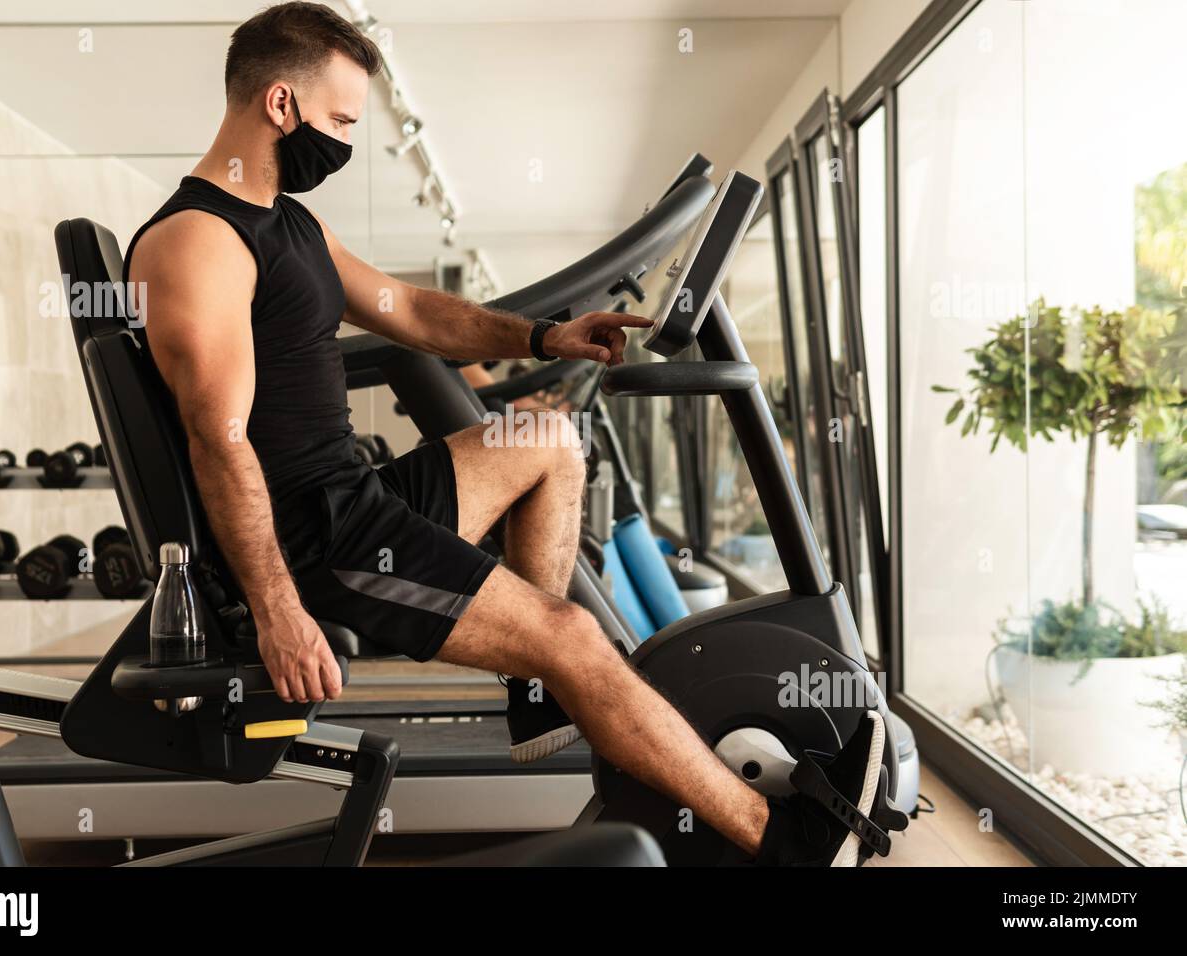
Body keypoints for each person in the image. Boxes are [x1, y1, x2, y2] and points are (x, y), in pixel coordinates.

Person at [125, 1, 886, 865]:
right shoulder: (196, 243)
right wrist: (279, 613)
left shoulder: (290, 224)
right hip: (315, 539)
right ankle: (786, 842)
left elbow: (410, 308)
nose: (341, 143)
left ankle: (537, 687)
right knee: (571, 635)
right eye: (339, 121)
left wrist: (542, 337)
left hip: (357, 496)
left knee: (550, 435)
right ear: (279, 105)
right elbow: (218, 440)